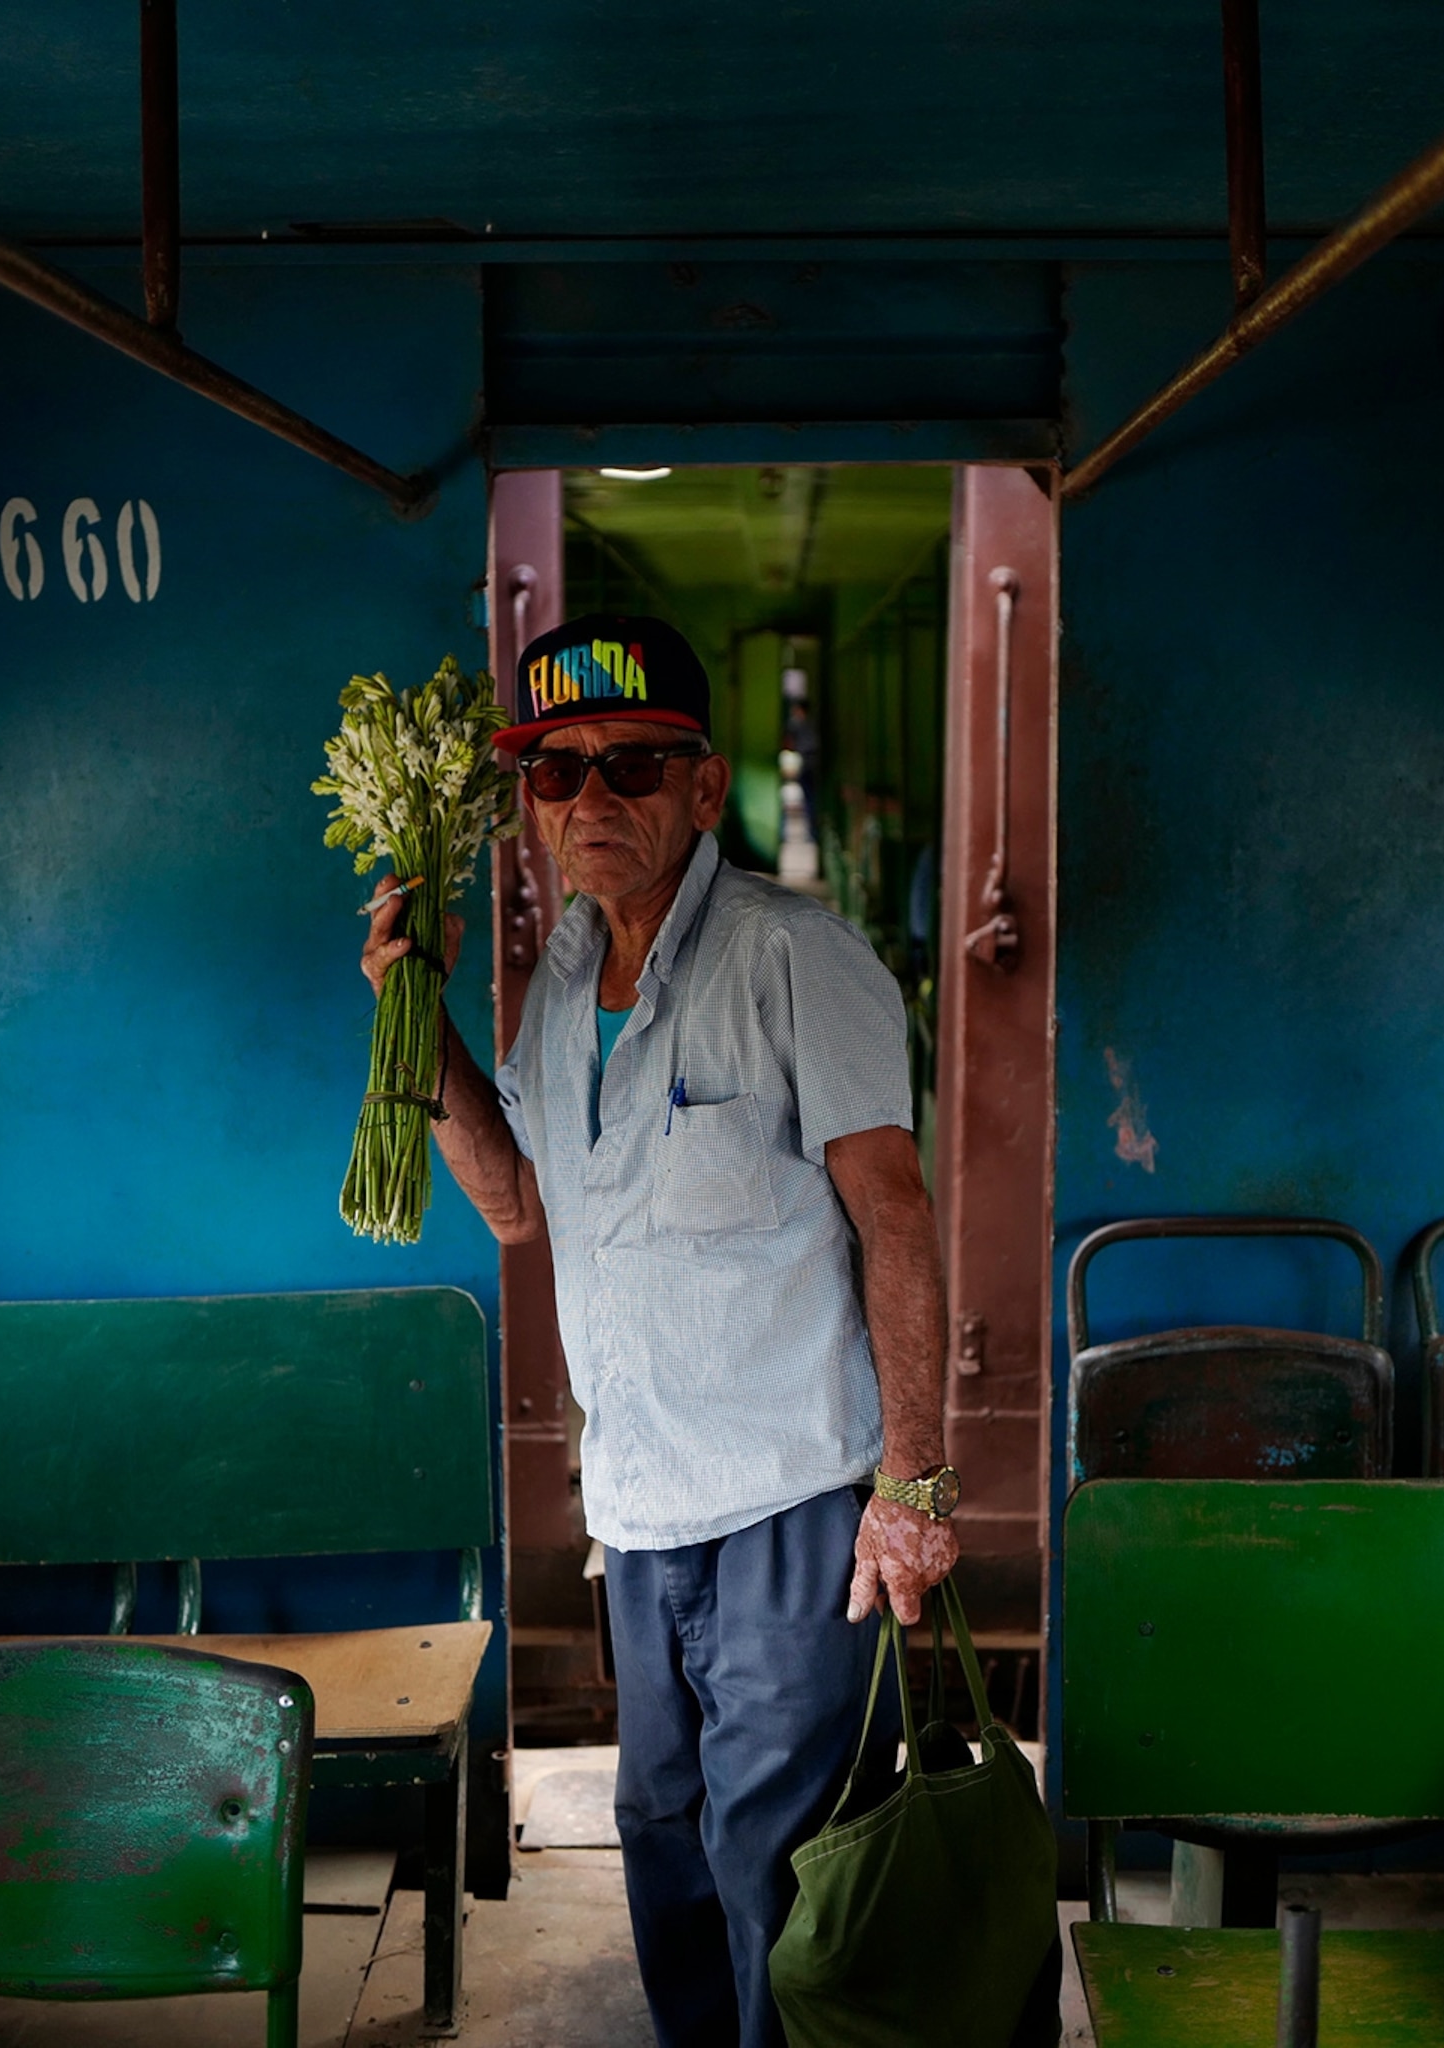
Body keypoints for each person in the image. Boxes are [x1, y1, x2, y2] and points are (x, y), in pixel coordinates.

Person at [362, 615, 957, 2048]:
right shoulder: (565, 975)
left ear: (700, 785)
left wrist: (915, 1488)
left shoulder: (792, 955)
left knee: (777, 1852)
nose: (590, 797)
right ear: (529, 805)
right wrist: (414, 1017)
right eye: (555, 771)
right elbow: (515, 1202)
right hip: (638, 1509)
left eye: (630, 764)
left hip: (790, 1503)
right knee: (666, 1835)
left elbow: (896, 1216)